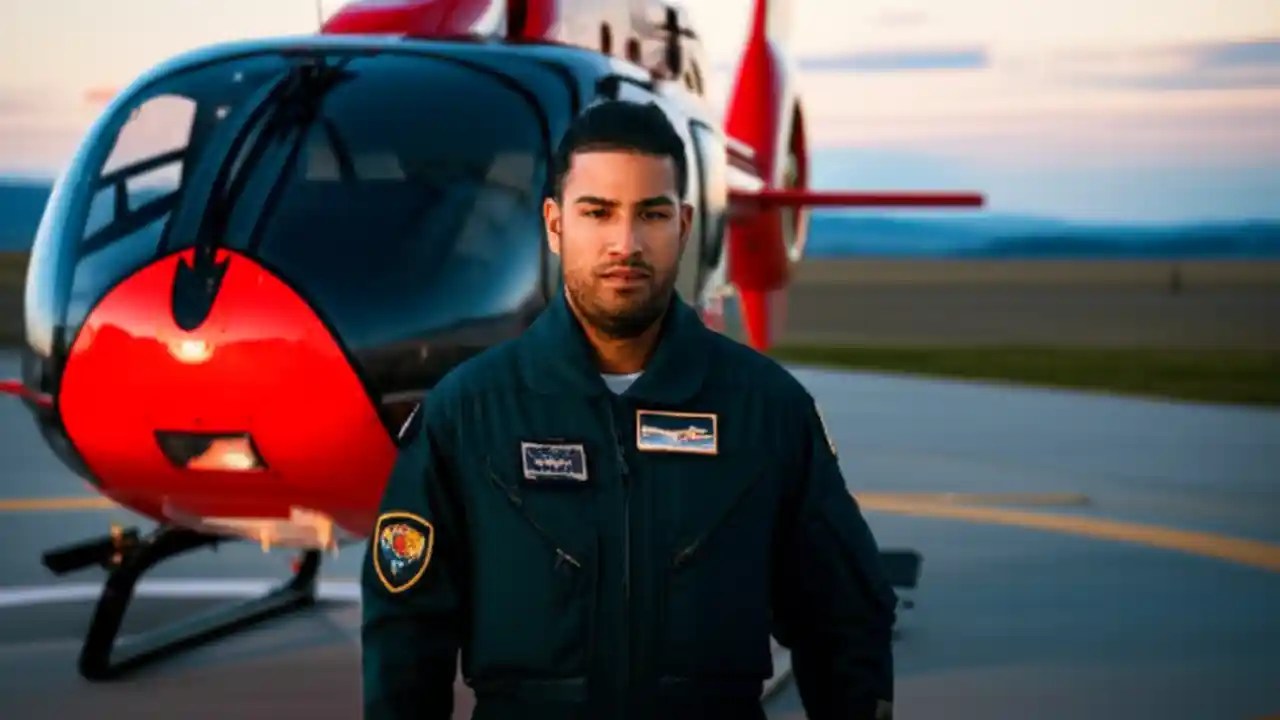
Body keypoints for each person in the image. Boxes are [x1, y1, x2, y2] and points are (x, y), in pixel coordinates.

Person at [361, 99, 898, 720]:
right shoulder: (469, 414)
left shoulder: (767, 411)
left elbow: (845, 617)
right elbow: (405, 631)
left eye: (652, 214)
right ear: (555, 224)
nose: (626, 243)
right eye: (598, 212)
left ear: (685, 225)